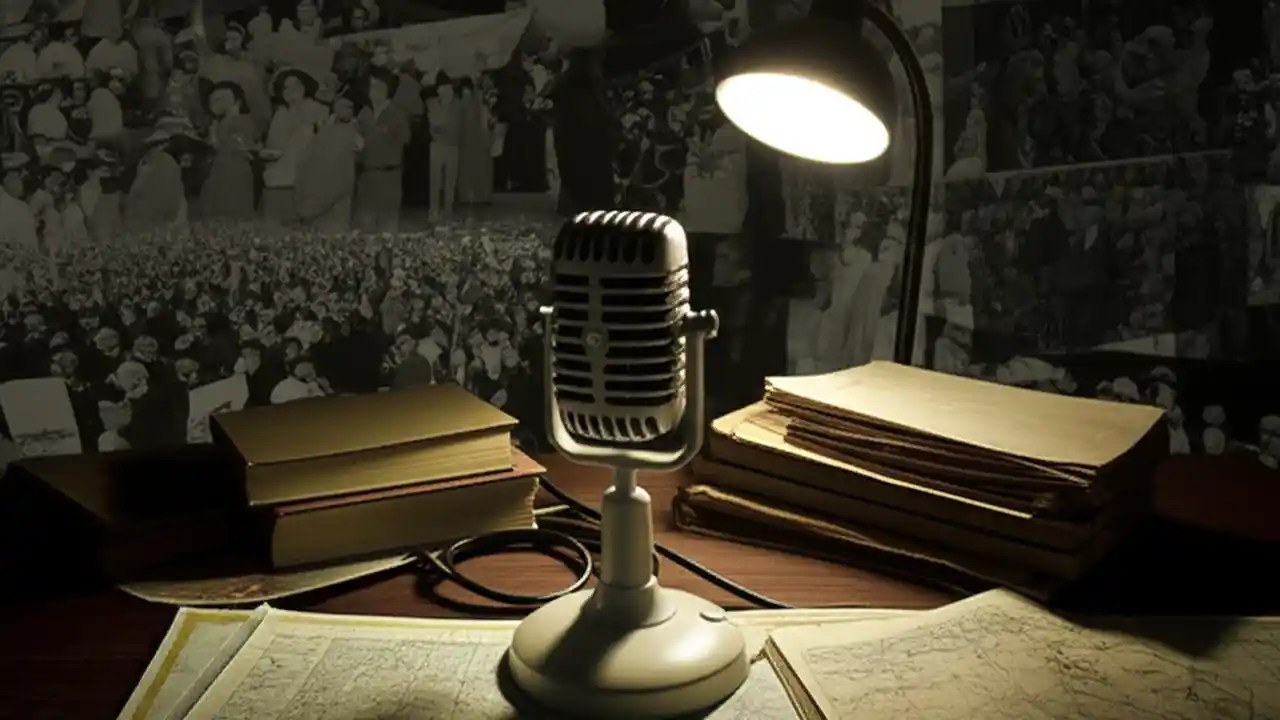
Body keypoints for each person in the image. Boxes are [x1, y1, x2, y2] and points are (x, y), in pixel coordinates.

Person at [262, 66, 326, 224]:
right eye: (286, 88)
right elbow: (274, 148)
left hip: (313, 180)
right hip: (283, 181)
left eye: (296, 85)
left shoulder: (321, 111)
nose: (292, 91)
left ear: (305, 86)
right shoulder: (280, 115)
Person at [298, 90, 361, 230]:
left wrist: (306, 211)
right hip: (321, 211)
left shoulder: (346, 135)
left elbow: (337, 183)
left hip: (329, 217)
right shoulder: (327, 132)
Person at [355, 69, 409, 232]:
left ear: (388, 89)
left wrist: (377, 135)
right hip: (366, 180)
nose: (375, 91)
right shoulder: (364, 114)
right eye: (372, 87)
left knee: (388, 233)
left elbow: (405, 138)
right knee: (365, 232)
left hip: (389, 179)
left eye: (379, 86)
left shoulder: (397, 112)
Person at [200, 82, 257, 220]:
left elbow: (242, 145)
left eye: (220, 99)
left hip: (233, 174)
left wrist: (214, 139)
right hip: (219, 173)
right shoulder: (220, 123)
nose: (214, 104)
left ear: (236, 101)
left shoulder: (240, 121)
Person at [426, 76, 460, 221]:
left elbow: (455, 128)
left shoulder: (457, 106)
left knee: (450, 182)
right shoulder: (432, 104)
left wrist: (442, 129)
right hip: (437, 146)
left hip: (452, 146)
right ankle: (434, 211)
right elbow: (433, 127)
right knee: (435, 181)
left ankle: (448, 211)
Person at [455, 77, 492, 206]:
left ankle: (471, 196)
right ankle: (479, 196)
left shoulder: (463, 103)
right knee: (477, 169)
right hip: (474, 141)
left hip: (470, 141)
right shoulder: (479, 102)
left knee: (469, 170)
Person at [0, 154, 37, 249]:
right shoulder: (20, 209)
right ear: (7, 177)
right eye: (20, 177)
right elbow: (29, 253)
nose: (22, 185)